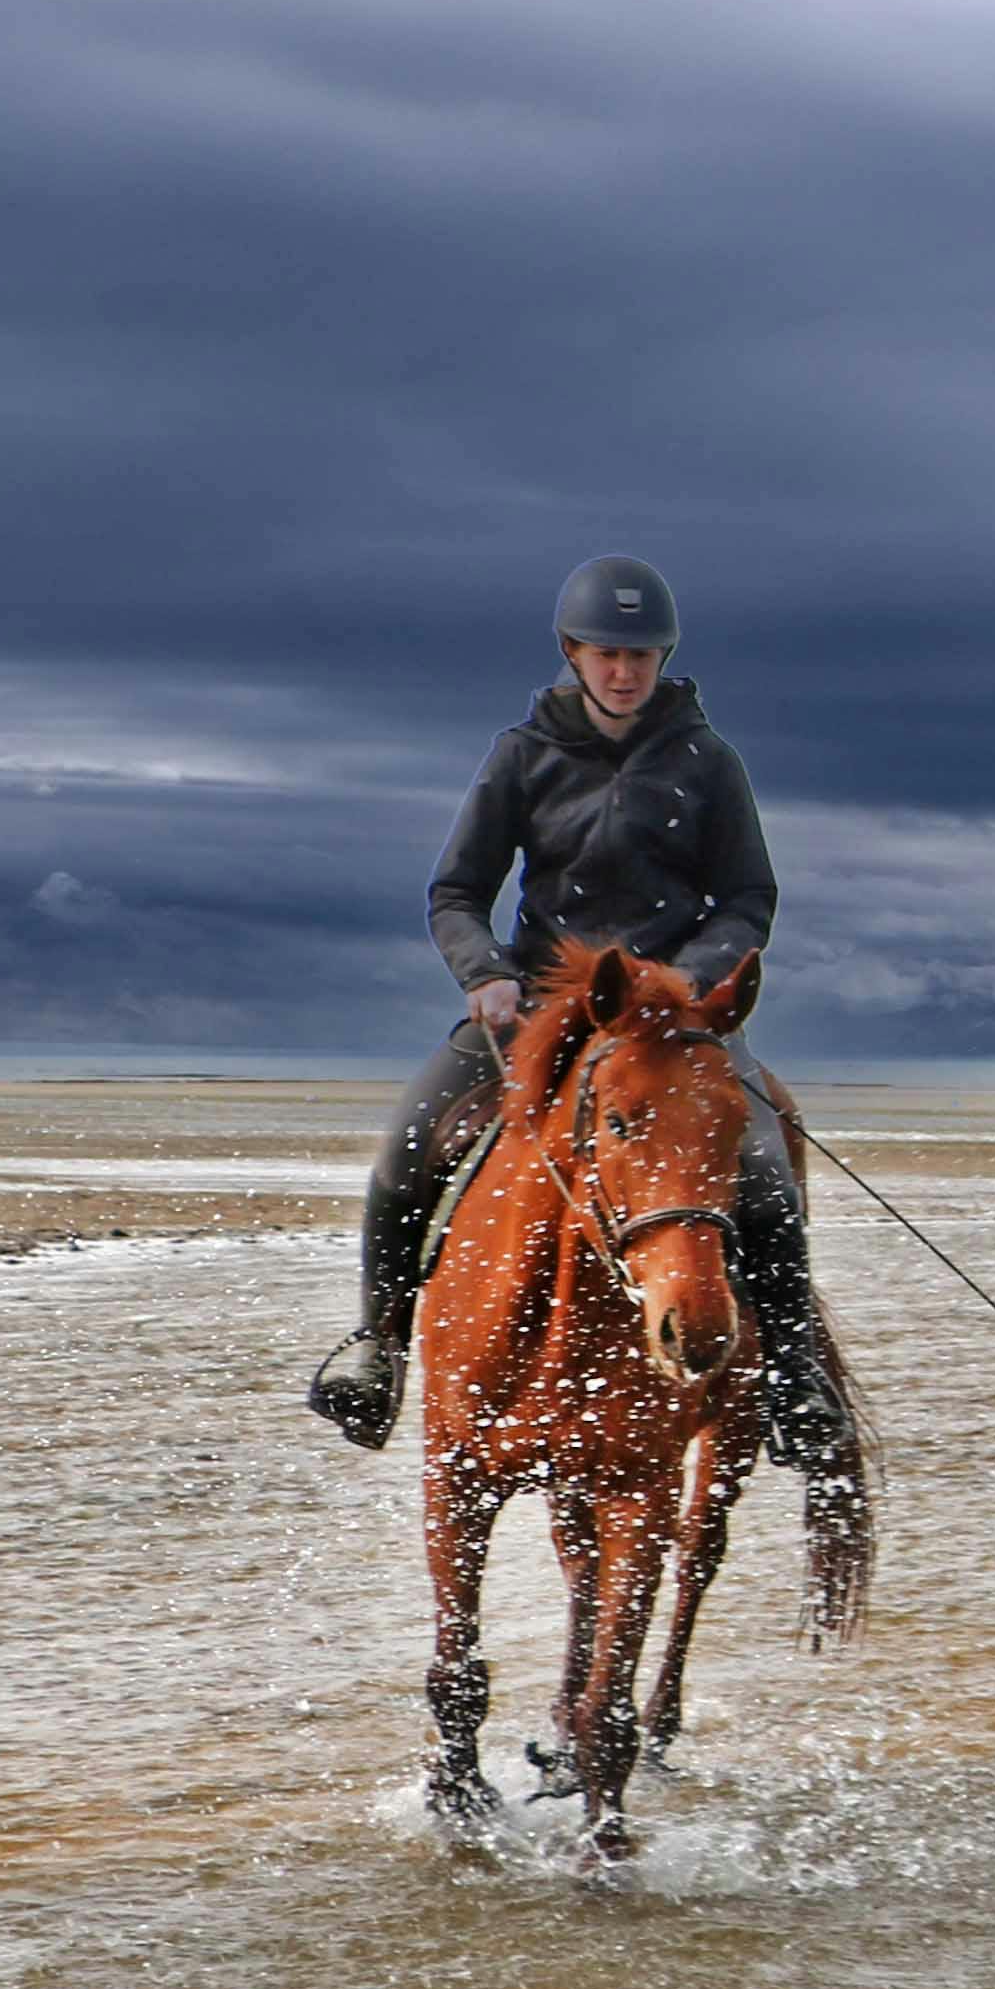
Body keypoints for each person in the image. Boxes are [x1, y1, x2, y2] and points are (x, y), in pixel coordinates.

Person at [301, 555, 856, 1471]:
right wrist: (483, 974)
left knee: (761, 1163)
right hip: (538, 1015)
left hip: (675, 1023)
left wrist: (687, 989)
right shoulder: (522, 755)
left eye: (641, 654)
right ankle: (377, 1347)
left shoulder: (709, 762)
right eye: (606, 653)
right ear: (572, 652)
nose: (624, 670)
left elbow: (749, 897)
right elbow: (456, 890)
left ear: (663, 656)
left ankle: (795, 1377)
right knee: (406, 1146)